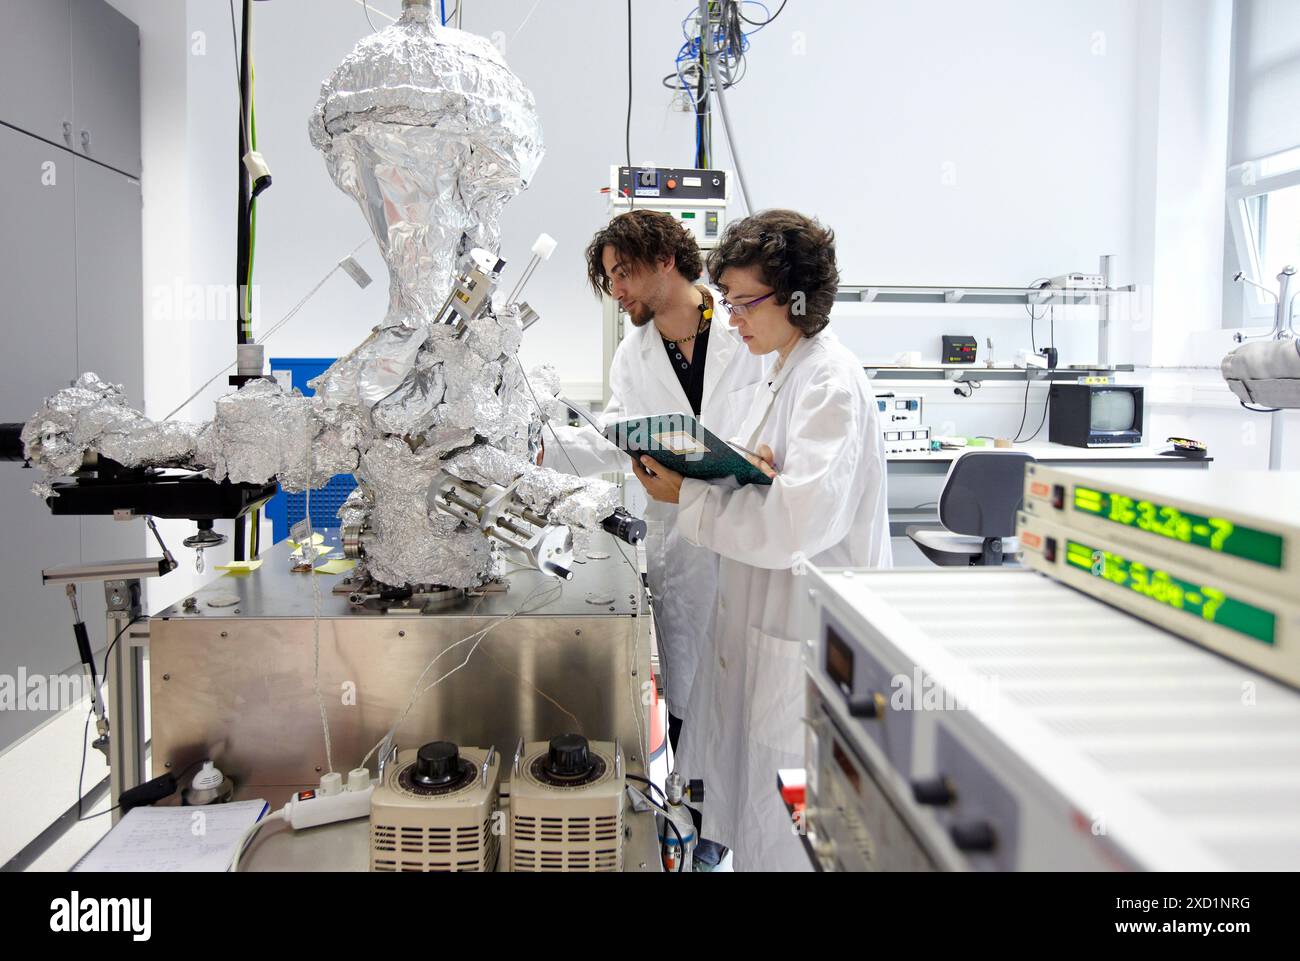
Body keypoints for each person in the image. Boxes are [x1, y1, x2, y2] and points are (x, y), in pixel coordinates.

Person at [632, 209, 892, 872]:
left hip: (806, 643)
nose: (734, 317)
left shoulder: (829, 385)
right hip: (765, 630)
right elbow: (759, 482)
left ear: (797, 297)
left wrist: (685, 496)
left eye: (745, 302)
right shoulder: (783, 370)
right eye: (729, 302)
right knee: (759, 816)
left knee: (796, 835)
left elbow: (790, 527)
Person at [545, 209, 766, 757]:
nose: (616, 290)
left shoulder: (747, 332)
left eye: (623, 273)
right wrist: (544, 445)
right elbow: (618, 437)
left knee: (754, 693)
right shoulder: (633, 355)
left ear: (665, 261)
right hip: (683, 535)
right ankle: (693, 817)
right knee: (690, 692)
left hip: (752, 531)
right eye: (610, 278)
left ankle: (733, 824)